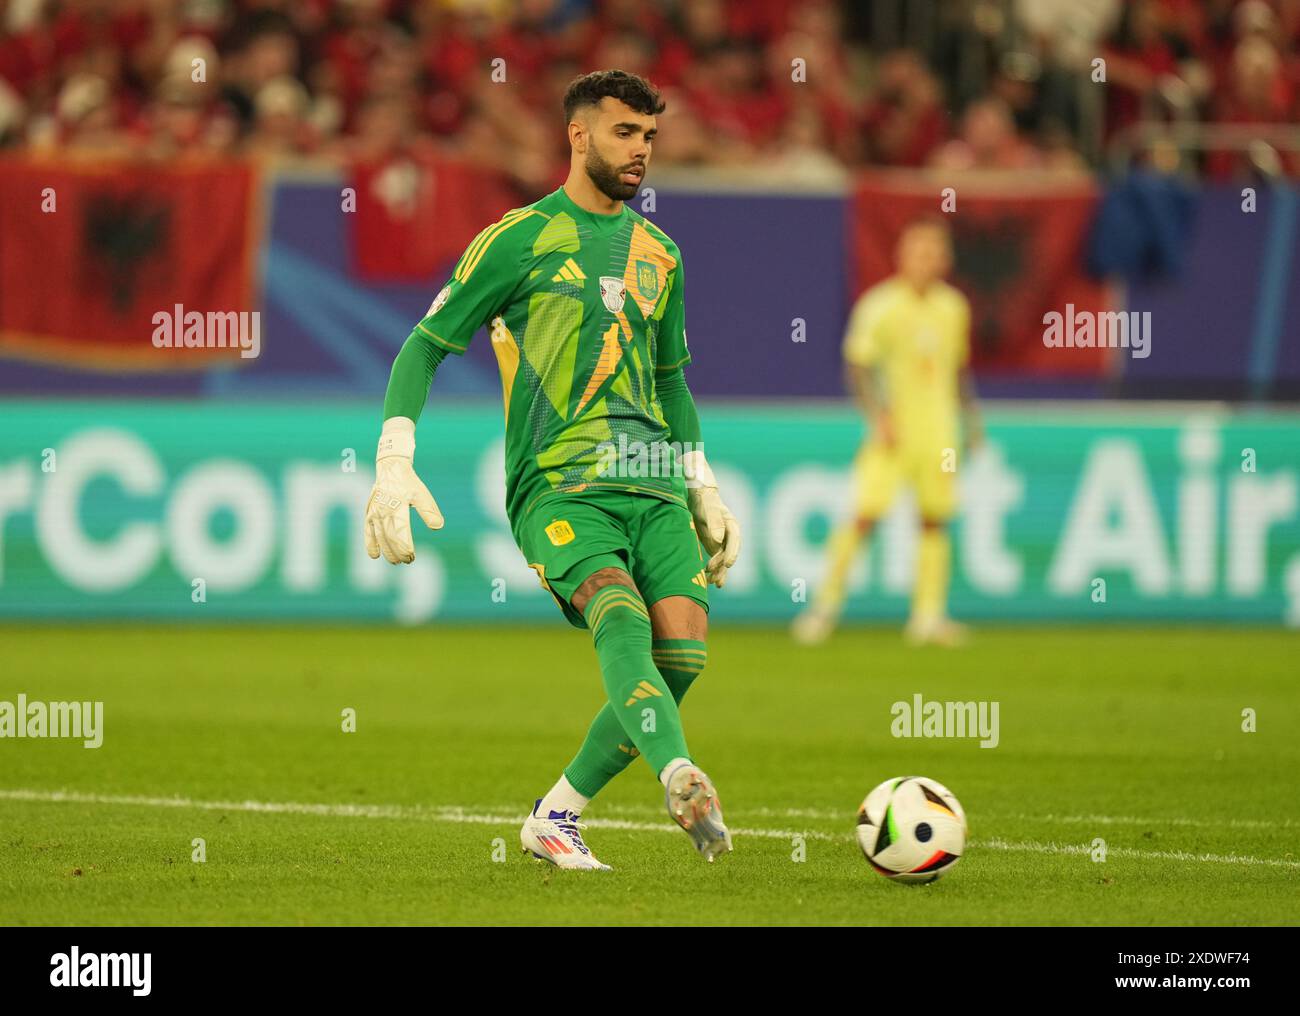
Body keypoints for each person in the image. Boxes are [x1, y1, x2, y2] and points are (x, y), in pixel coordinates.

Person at [363, 70, 741, 869]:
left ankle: (556, 816)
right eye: (624, 133)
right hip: (558, 482)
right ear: (578, 136)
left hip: (654, 481)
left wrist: (701, 480)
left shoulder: (660, 254)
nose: (640, 152)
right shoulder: (521, 237)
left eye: (649, 137)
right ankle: (679, 772)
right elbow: (425, 345)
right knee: (620, 616)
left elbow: (670, 379)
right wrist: (394, 457)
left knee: (685, 656)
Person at [793, 216, 982, 647]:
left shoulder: (953, 307)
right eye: (920, 251)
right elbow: (858, 366)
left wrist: (971, 422)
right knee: (864, 516)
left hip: (939, 435)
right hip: (893, 431)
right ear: (903, 256)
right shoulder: (880, 306)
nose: (928, 260)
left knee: (934, 520)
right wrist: (877, 415)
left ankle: (928, 617)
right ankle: (823, 607)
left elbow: (959, 370)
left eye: (936, 252)